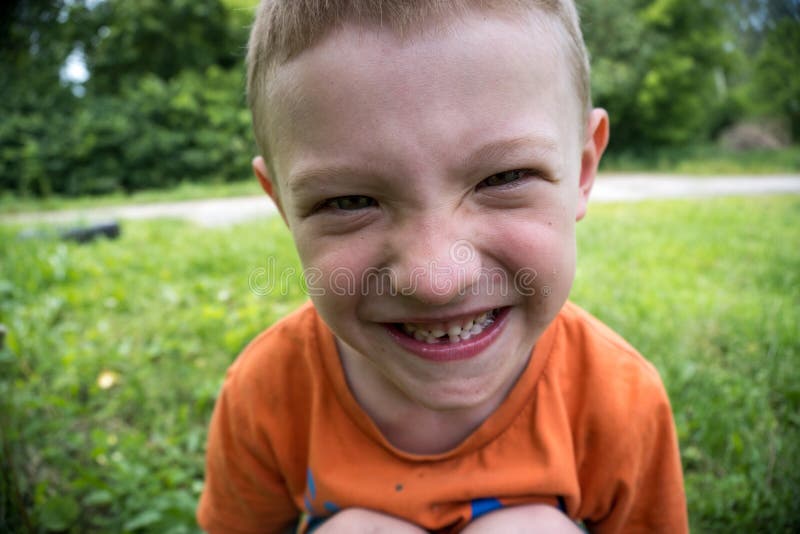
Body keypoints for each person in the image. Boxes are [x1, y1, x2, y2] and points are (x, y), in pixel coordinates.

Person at [197, 0, 688, 532]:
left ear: (583, 171)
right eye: (349, 202)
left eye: (503, 178)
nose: (435, 280)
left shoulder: (619, 399)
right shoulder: (268, 391)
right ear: (282, 207)